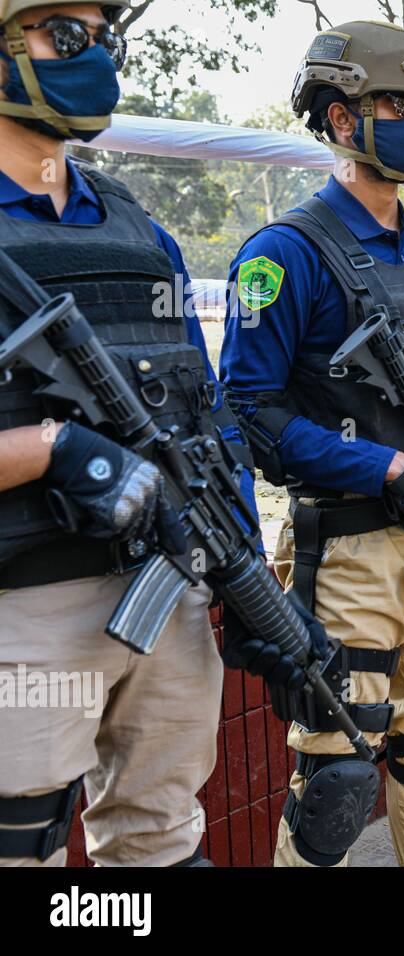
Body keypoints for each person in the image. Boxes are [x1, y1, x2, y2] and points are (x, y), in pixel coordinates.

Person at [221, 20, 404, 868]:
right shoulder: (284, 253)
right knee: (339, 779)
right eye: (397, 103)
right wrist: (383, 466)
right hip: (351, 549)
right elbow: (249, 416)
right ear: (342, 120)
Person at [0, 0, 246, 866]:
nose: (93, 53)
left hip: (165, 586)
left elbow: (208, 404)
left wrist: (237, 553)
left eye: (101, 35)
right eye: (63, 34)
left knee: (161, 845)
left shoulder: (139, 228)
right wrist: (54, 451)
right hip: (22, 607)